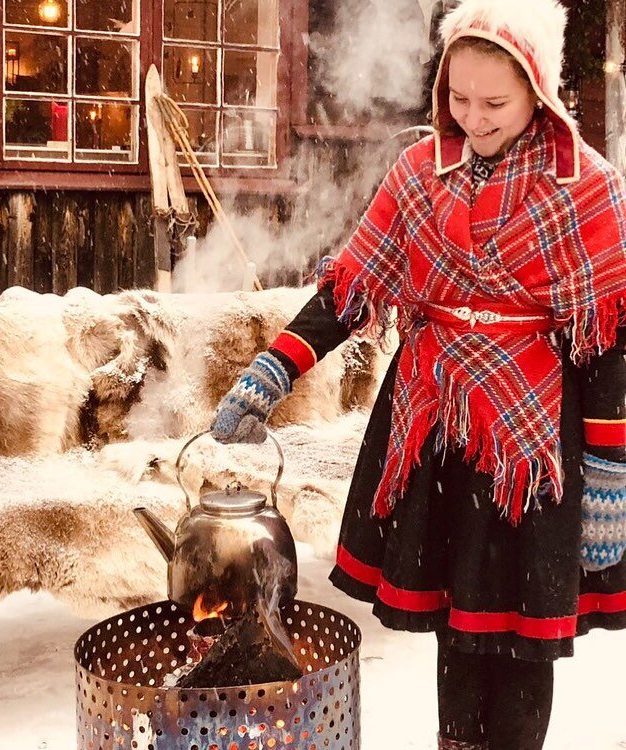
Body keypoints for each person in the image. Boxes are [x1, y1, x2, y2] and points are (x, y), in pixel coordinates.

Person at [210, 0, 626, 748]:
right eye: (458, 98)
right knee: (457, 626)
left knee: (526, 634)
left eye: (496, 102)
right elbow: (352, 288)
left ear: (538, 89)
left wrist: (610, 468)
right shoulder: (418, 174)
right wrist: (273, 370)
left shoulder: (585, 187)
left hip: (535, 453)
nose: (474, 118)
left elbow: (608, 337)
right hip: (436, 428)